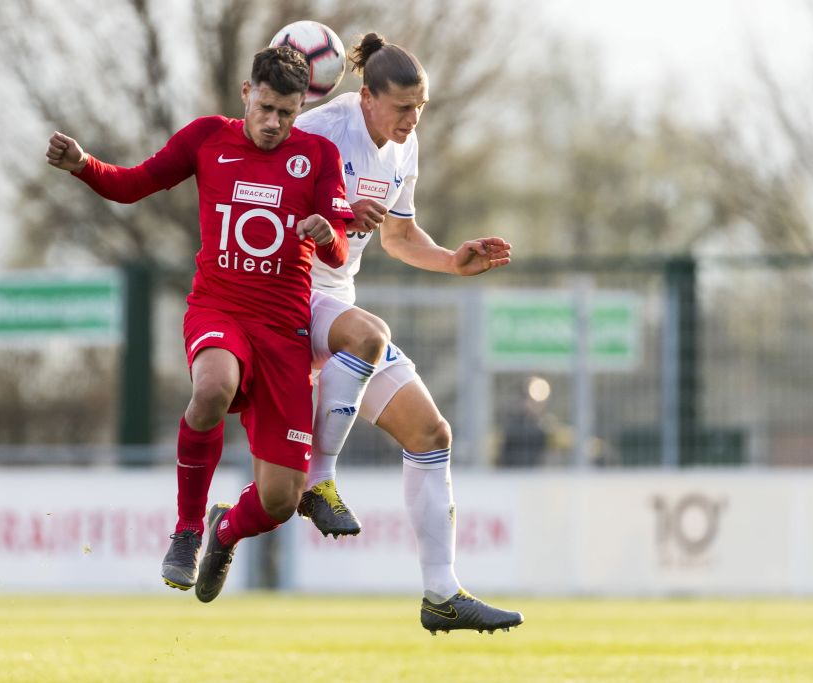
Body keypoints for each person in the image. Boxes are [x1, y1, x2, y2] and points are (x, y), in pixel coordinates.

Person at [45, 47, 353, 603]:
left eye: (285, 113)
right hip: (219, 310)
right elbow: (134, 183)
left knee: (281, 500)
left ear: (299, 108)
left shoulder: (319, 155)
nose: (273, 123)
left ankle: (224, 527)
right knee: (212, 386)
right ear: (246, 93)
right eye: (265, 108)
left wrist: (327, 233)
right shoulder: (208, 138)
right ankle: (186, 530)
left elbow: (338, 248)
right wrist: (83, 166)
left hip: (284, 332)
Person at [292, 33, 523, 634]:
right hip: (292, 299)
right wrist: (337, 216)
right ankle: (319, 480)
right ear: (365, 96)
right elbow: (272, 213)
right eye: (402, 107)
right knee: (369, 333)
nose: (411, 119)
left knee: (430, 432)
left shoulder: (403, 147)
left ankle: (441, 594)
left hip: (337, 305)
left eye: (419, 108)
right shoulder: (320, 130)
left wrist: (452, 260)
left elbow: (397, 236)